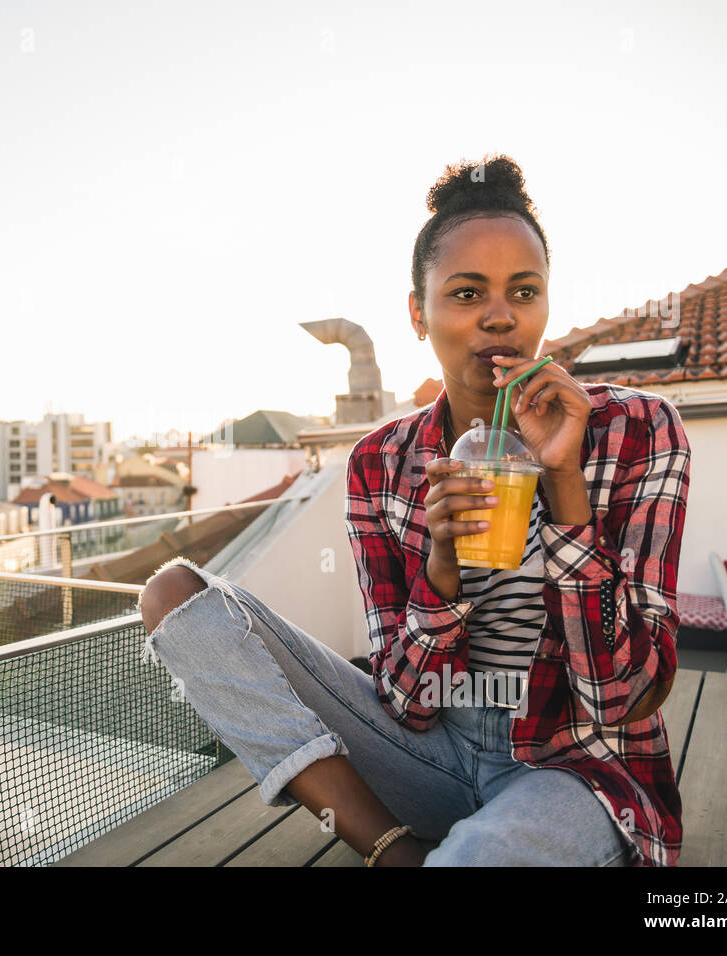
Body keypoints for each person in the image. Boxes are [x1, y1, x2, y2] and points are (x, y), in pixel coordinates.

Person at [139, 153, 689, 867]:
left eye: (524, 292)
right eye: (466, 294)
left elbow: (626, 701)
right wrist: (442, 573)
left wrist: (565, 487)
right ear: (417, 314)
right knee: (176, 595)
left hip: (576, 773)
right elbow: (407, 703)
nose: (500, 316)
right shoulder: (381, 461)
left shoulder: (637, 429)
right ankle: (391, 851)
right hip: (430, 760)